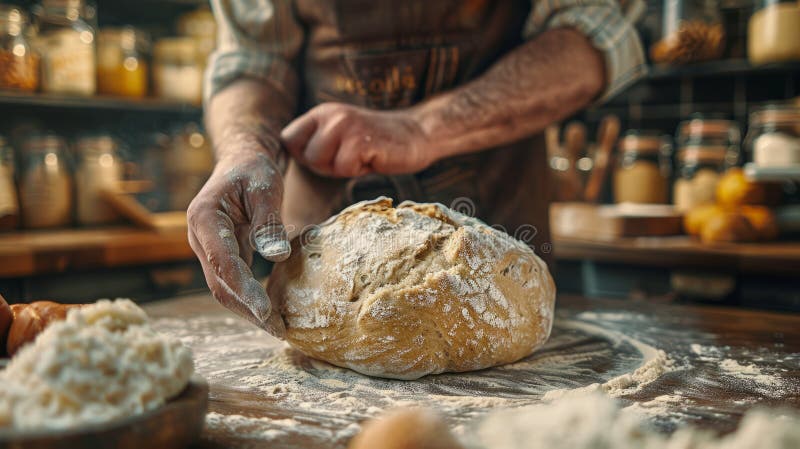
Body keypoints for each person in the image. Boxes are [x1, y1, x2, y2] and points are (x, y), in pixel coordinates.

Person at [188, 0, 646, 336]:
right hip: (320, 259)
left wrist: (422, 129)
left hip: (497, 254)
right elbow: (254, 56)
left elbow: (594, 33)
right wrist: (245, 148)